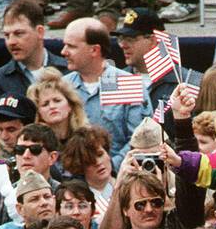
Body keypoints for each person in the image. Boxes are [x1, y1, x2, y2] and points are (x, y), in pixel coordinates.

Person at [62, 18, 150, 168]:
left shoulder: (128, 84)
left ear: (95, 50)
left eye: (71, 46)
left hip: (118, 178)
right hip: (70, 180)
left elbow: (140, 139)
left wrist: (109, 167)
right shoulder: (62, 87)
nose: (64, 52)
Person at [0, 0, 67, 106]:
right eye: (7, 35)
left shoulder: (69, 71)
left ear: (40, 32)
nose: (11, 42)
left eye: (19, 33)